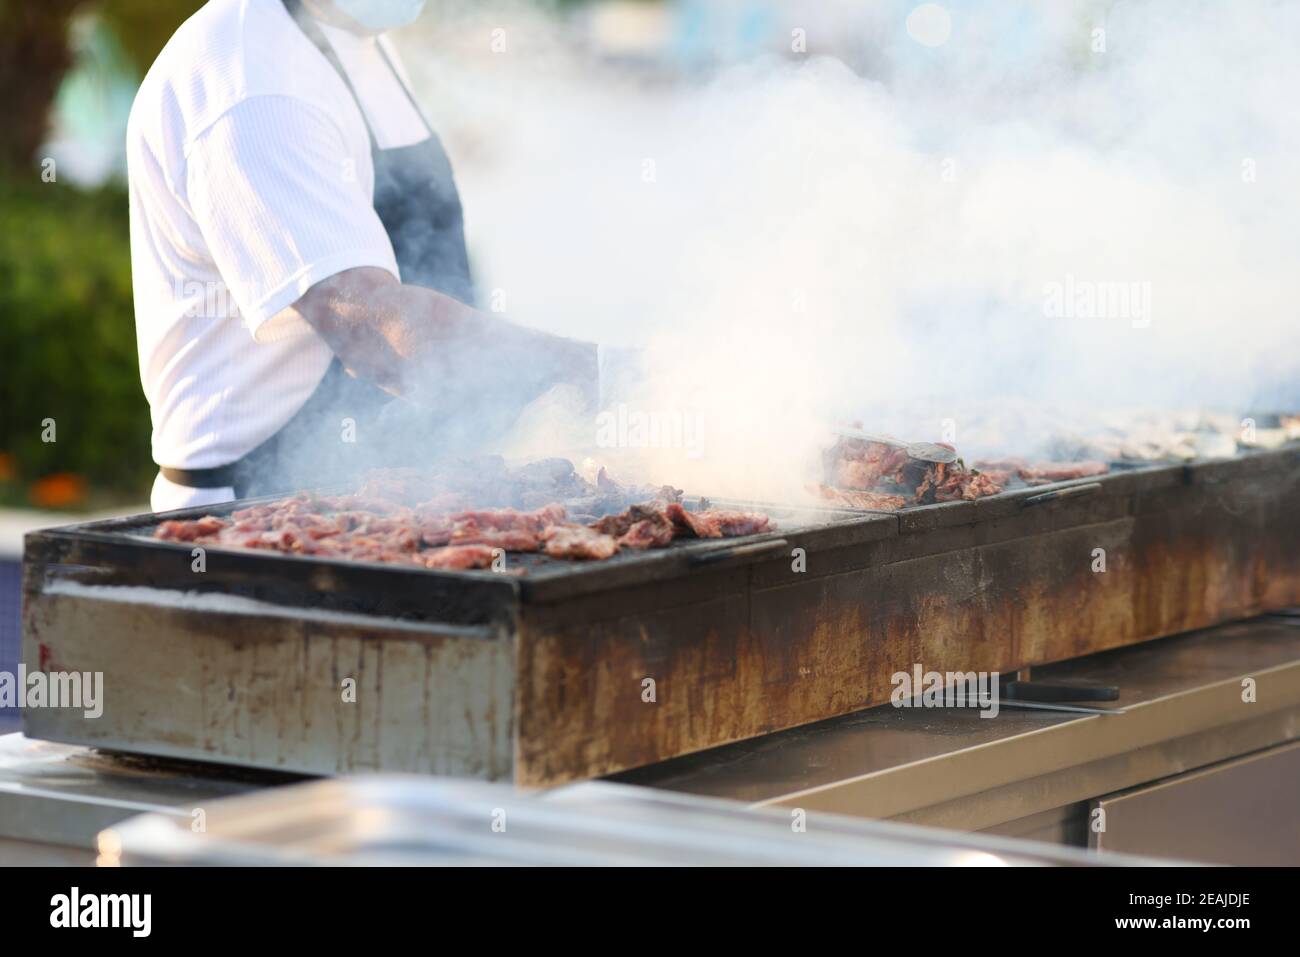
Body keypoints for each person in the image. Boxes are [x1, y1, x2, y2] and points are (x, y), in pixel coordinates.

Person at [126, 0, 596, 512]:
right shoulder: (250, 80)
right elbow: (377, 330)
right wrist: (602, 376)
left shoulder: (354, 38)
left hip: (392, 497)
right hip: (257, 516)